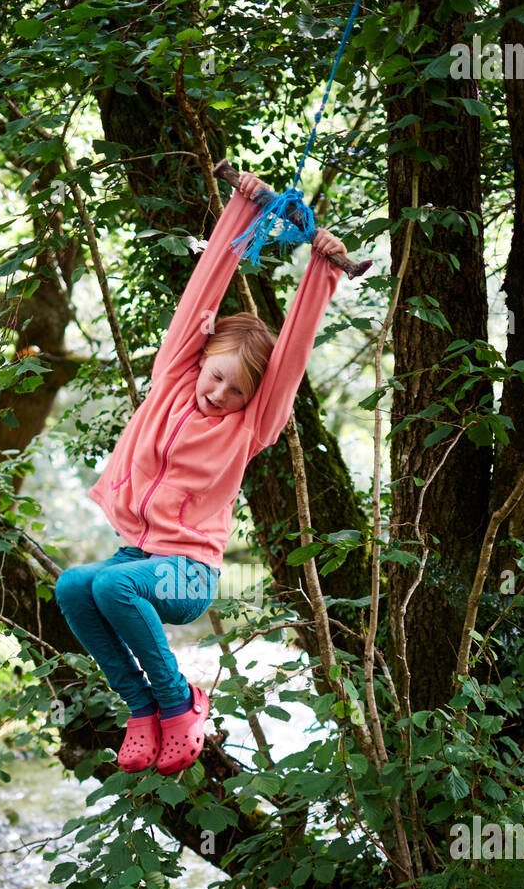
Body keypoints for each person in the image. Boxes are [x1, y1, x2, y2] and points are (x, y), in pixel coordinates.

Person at [54, 170, 347, 776]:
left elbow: (289, 358)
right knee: (74, 589)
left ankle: (181, 702)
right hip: (136, 558)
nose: (219, 394)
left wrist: (320, 275)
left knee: (111, 587)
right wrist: (241, 210)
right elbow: (200, 299)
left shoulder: (249, 427)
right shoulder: (171, 381)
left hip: (190, 577)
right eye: (215, 377)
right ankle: (143, 709)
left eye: (236, 391)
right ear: (201, 360)